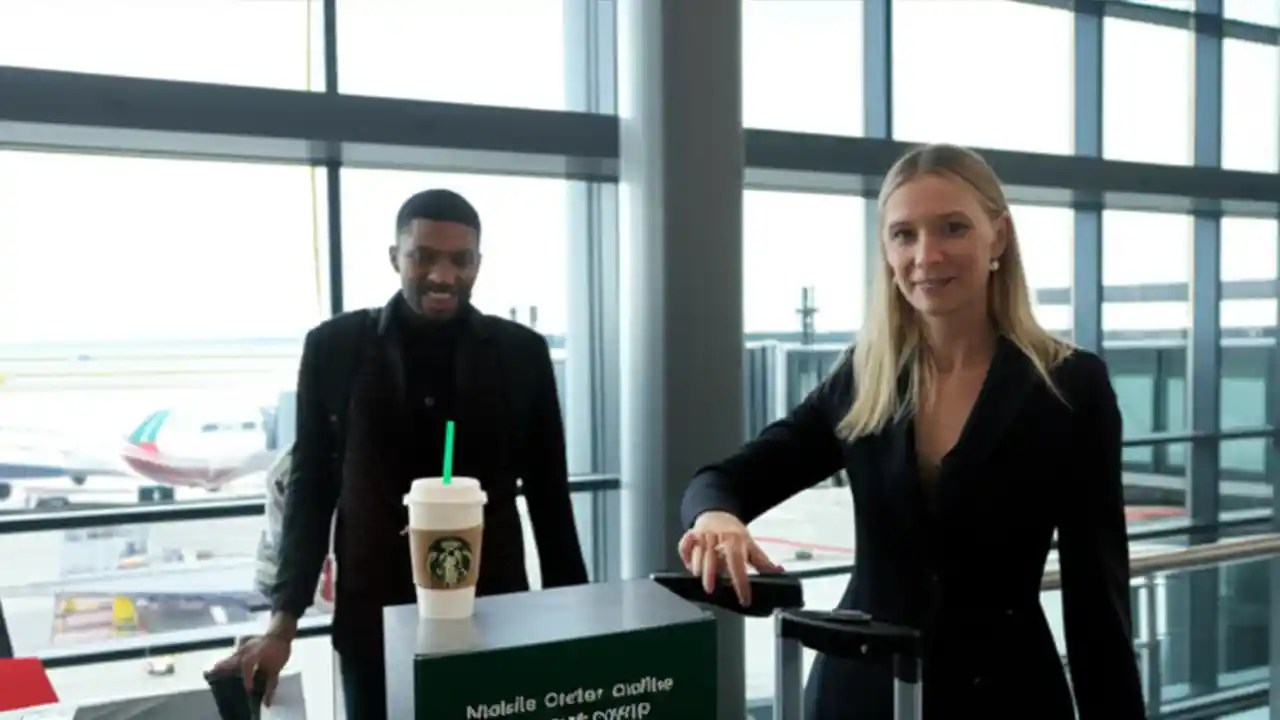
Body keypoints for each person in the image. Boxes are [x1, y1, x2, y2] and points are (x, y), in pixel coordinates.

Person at [678, 144, 1145, 719]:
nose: (927, 255)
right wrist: (716, 517)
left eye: (953, 227)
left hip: (1004, 698)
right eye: (904, 234)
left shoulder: (1069, 385)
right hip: (858, 695)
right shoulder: (866, 378)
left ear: (998, 237)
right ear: (886, 250)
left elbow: (1098, 597)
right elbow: (726, 478)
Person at [214, 189, 589, 719]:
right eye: (423, 257)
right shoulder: (335, 347)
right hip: (373, 619)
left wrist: (575, 620)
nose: (442, 275)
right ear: (395, 257)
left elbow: (551, 499)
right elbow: (311, 492)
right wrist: (283, 622)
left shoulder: (521, 354)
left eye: (460, 260)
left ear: (478, 264)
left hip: (496, 613)